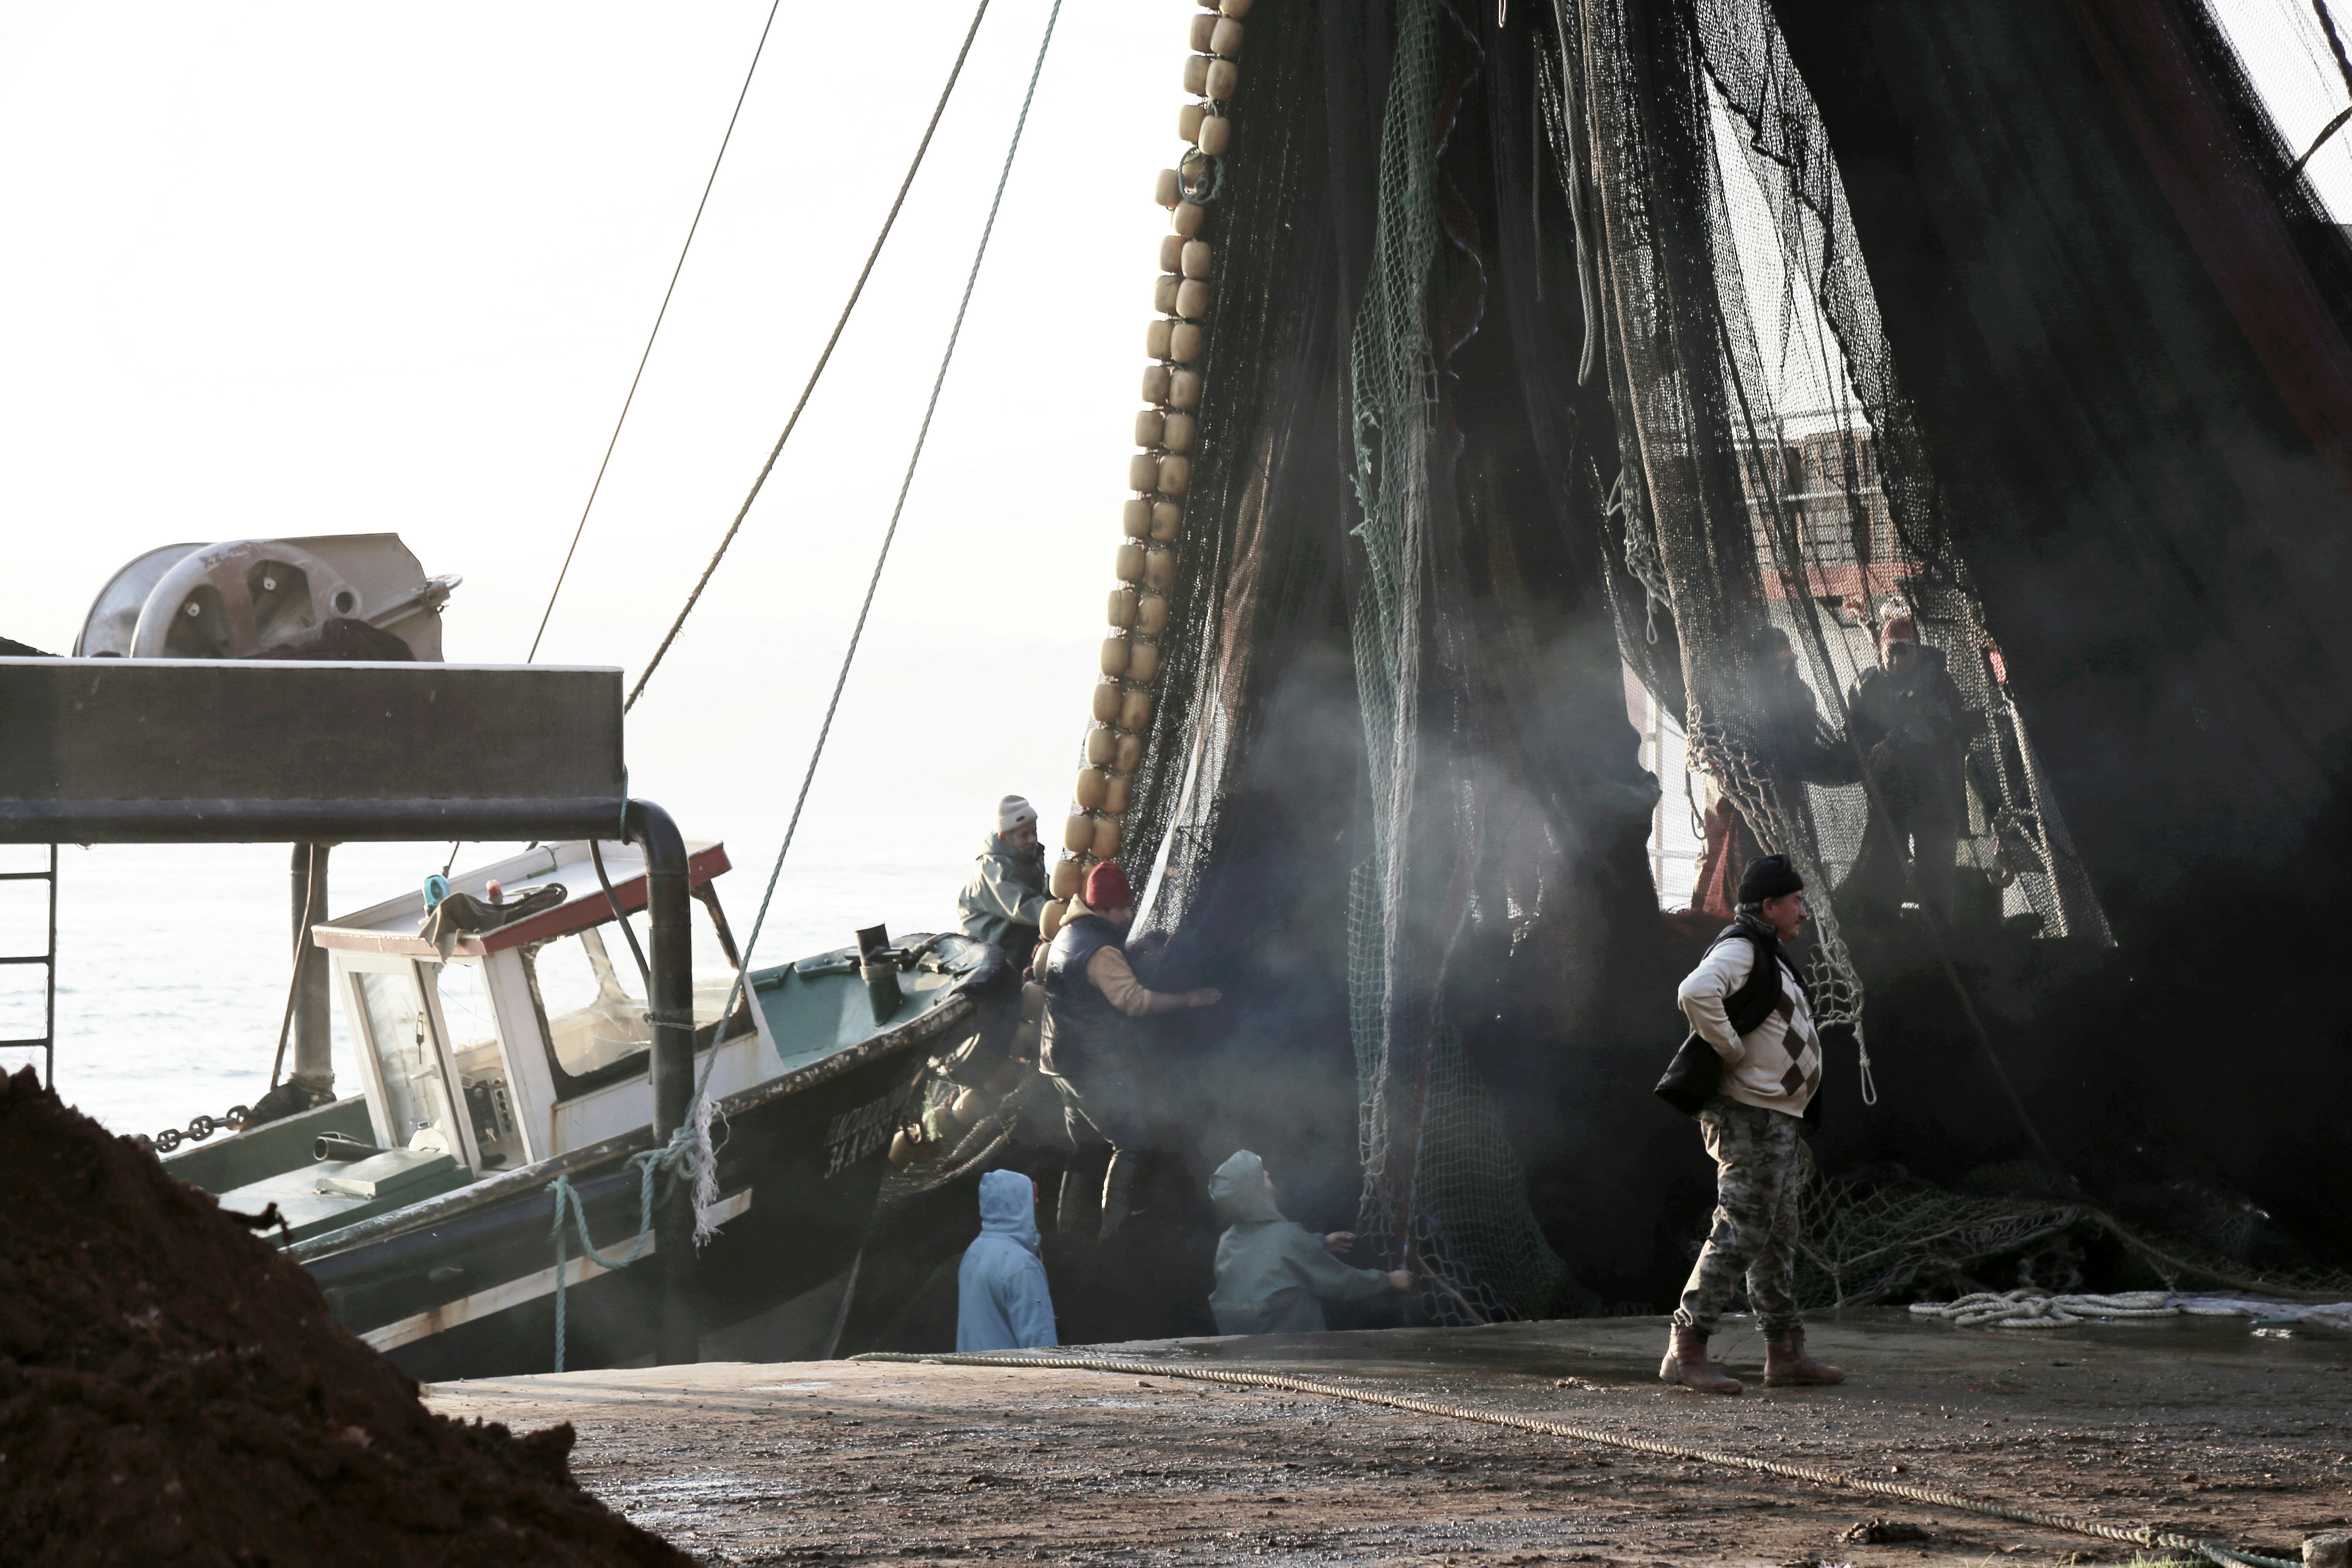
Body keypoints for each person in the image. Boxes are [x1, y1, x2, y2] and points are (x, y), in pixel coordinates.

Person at [1661, 854, 1846, 1395]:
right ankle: (1687, 1347)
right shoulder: (1742, 947)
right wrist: (1732, 1047)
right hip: (1749, 1116)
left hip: (1776, 1118)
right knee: (1743, 1228)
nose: (1803, 912)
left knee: (1776, 1236)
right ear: (1770, 906)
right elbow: (1696, 992)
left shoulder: (1768, 952)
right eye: (1796, 902)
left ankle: (1784, 1353)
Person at [1038, 861, 1220, 1240]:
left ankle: (1067, 1234)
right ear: (1102, 909)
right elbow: (1134, 1001)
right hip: (1089, 1066)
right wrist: (1187, 999)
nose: (1128, 913)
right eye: (1121, 908)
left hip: (1057, 1062)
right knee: (1132, 1142)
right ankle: (1113, 1237)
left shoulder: (1067, 935)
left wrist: (1135, 951)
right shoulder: (1101, 951)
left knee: (1085, 1148)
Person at [1841, 617, 1969, 921]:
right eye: (1891, 651)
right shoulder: (1866, 684)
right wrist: (1863, 749)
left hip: (1933, 790)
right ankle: (1882, 925)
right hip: (1890, 792)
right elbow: (1854, 727)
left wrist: (1894, 742)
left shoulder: (1936, 681)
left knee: (1936, 866)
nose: (1897, 660)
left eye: (1905, 651)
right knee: (1884, 862)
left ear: (1917, 652)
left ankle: (1938, 931)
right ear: (1881, 650)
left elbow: (1939, 724)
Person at [1207, 1150, 1410, 1335]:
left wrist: (1320, 1244)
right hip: (1288, 1351)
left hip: (1240, 1350)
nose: (1268, 1174)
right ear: (1256, 1195)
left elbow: (1268, 1255)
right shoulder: (1286, 1236)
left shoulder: (1227, 1241)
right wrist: (1388, 1280)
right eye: (1262, 1177)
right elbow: (1339, 1281)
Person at [956, 1169, 1059, 1352]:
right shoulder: (1022, 1265)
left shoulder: (975, 1250)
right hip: (1009, 1378)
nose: (1037, 1203)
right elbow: (1042, 1346)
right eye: (1031, 1200)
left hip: (972, 1374)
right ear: (1022, 1206)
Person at [958, 796, 1053, 960]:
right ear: (1004, 838)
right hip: (987, 959)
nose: (1033, 840)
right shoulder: (992, 870)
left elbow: (1044, 891)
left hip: (1017, 950)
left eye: (1034, 832)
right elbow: (1025, 906)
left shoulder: (1027, 859)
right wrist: (1069, 915)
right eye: (1024, 835)